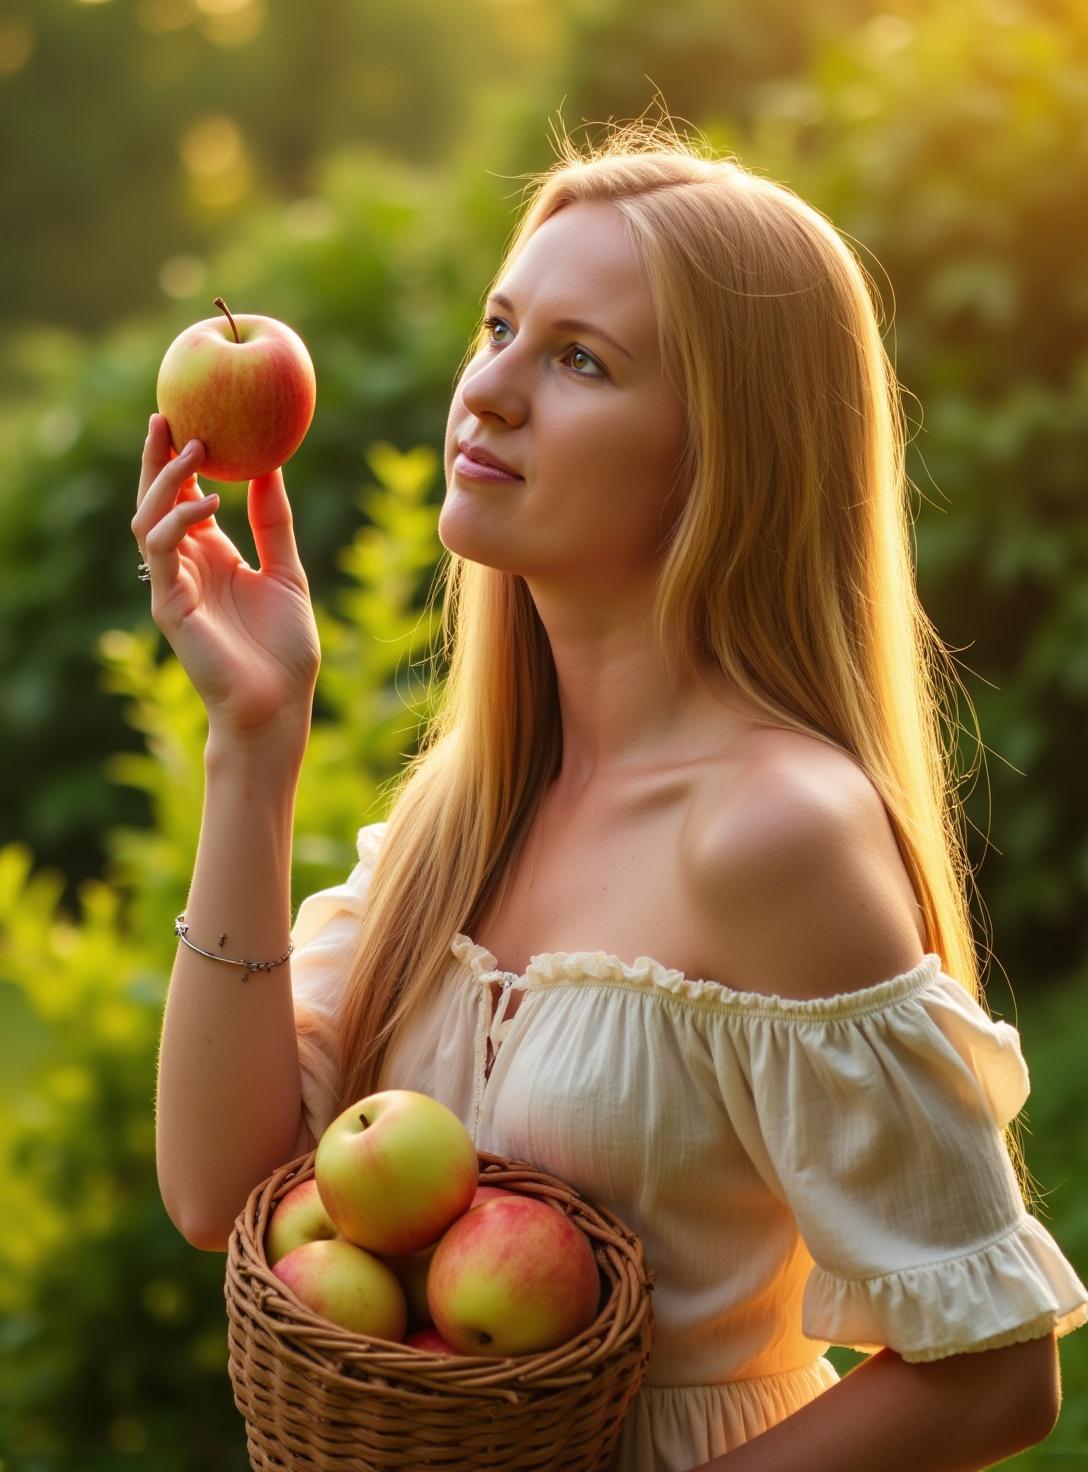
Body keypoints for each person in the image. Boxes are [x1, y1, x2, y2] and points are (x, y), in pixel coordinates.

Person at [136, 118, 1087, 1472]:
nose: (489, 391)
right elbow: (216, 1190)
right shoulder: (462, 818)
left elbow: (993, 1377)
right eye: (499, 329)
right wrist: (254, 739)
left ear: (727, 451)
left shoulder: (772, 833)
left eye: (581, 358)